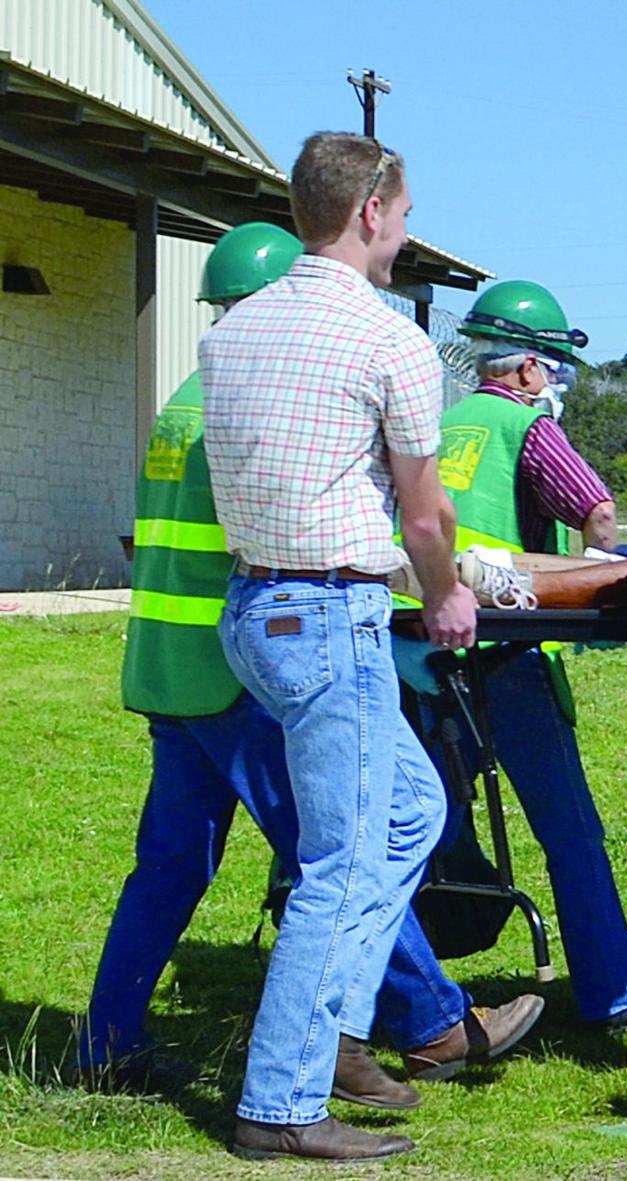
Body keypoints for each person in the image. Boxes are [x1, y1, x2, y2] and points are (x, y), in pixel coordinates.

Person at [82, 223, 543, 1120]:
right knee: (345, 849)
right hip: (247, 678)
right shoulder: (258, 398)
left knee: (171, 866)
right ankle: (424, 1021)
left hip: (172, 668)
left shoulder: (186, 395)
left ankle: (108, 1037)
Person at [201, 135, 480, 1161]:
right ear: (371, 212)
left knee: (412, 809)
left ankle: (340, 1033)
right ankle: (281, 1100)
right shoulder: (390, 340)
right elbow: (423, 514)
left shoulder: (232, 334)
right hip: (332, 617)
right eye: (404, 214)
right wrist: (448, 595)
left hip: (255, 611)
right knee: (344, 857)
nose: (406, 233)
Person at [400, 280, 627, 1032]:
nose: (554, 384)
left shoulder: (445, 422)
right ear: (527, 369)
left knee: (420, 830)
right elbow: (594, 506)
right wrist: (596, 572)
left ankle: (408, 1000)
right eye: (553, 369)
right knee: (568, 830)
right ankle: (614, 991)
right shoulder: (528, 425)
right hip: (505, 650)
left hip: (422, 651)